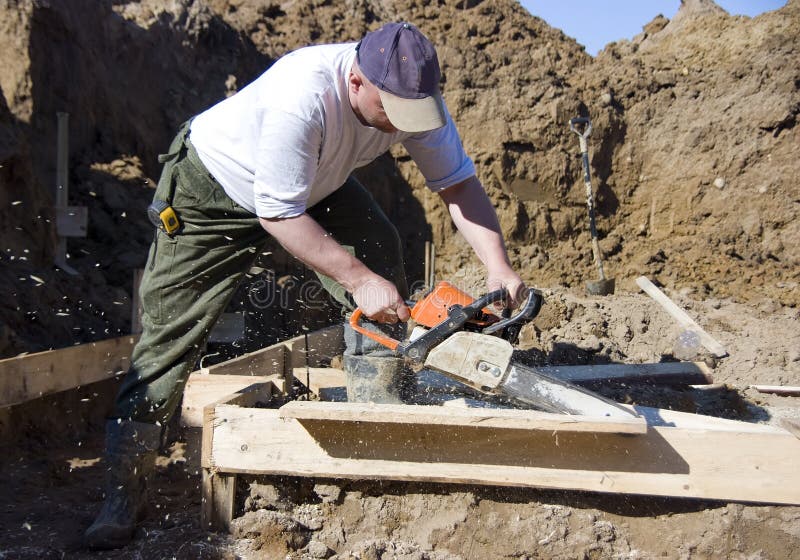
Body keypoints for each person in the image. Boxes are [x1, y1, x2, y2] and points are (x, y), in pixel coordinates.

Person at [84, 22, 527, 549]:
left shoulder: (412, 99)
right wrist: (358, 280)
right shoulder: (302, 98)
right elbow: (276, 212)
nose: (400, 127)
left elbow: (457, 184)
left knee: (379, 246)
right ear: (356, 81)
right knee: (169, 334)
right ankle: (123, 489)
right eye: (391, 113)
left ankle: (380, 415)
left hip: (311, 181)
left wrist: (499, 267)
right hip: (214, 190)